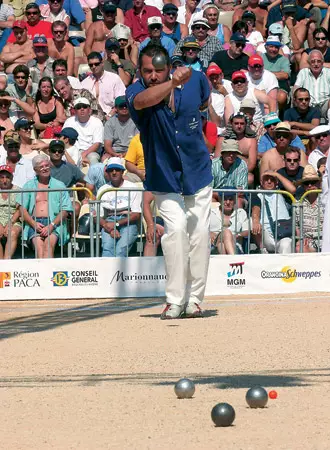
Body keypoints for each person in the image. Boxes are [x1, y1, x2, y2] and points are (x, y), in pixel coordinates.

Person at [127, 43, 212, 319]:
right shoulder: (135, 91)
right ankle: (175, 299)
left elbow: (204, 101)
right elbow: (142, 102)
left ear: (168, 67)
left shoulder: (196, 79)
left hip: (197, 171)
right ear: (140, 70)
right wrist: (173, 83)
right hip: (164, 174)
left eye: (158, 70)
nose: (152, 75)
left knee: (199, 236)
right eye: (147, 70)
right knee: (174, 233)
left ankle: (195, 299)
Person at [19, 154, 73, 258]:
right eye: (41, 167)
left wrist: (51, 225)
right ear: (36, 170)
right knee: (39, 248)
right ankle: (42, 274)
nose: (45, 168)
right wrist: (33, 223)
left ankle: (48, 273)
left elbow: (65, 210)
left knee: (48, 246)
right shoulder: (28, 185)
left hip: (54, 222)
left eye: (47, 165)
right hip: (34, 222)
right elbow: (22, 208)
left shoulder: (59, 185)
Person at [96, 157, 142, 257]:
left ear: (122, 172)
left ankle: (119, 273)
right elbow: (96, 216)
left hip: (128, 222)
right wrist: (108, 227)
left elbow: (136, 215)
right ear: (107, 173)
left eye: (117, 170)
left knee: (121, 250)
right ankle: (108, 273)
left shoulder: (133, 187)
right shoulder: (102, 189)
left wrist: (116, 224)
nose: (114, 172)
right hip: (109, 221)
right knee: (107, 250)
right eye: (111, 170)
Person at [251, 171, 292, 254]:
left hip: (283, 233)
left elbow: (293, 189)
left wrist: (277, 175)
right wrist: (255, 220)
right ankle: (262, 250)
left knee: (286, 244)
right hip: (267, 235)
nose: (269, 181)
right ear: (261, 182)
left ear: (276, 182)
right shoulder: (257, 195)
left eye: (272, 179)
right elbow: (256, 208)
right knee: (251, 222)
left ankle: (285, 266)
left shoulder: (283, 193)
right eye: (266, 179)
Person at [81, 51, 126, 116]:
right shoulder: (84, 83)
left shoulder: (114, 78)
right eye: (91, 65)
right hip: (90, 118)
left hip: (112, 116)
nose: (93, 67)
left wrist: (110, 115)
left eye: (96, 64)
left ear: (102, 63)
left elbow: (121, 100)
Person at [62, 97, 104, 162]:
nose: (82, 109)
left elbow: (97, 144)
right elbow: (63, 138)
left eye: (84, 106)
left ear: (89, 109)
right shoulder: (69, 121)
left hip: (91, 152)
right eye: (78, 107)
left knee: (93, 158)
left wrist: (83, 155)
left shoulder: (97, 122)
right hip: (73, 150)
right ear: (75, 111)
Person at [210, 187, 249, 255]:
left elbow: (247, 231)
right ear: (219, 199)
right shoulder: (211, 213)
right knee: (226, 233)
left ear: (235, 200)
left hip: (235, 245)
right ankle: (233, 259)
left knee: (221, 244)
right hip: (214, 246)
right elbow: (200, 228)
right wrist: (209, 233)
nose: (228, 202)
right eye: (225, 199)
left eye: (231, 199)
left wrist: (237, 235)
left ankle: (226, 262)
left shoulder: (241, 213)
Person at [294, 49, 330, 119]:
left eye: (319, 61)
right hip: (307, 106)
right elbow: (296, 89)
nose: (316, 64)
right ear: (309, 63)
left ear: (323, 63)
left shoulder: (328, 72)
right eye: (313, 61)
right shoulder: (303, 72)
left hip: (325, 106)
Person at [296, 164, 323, 252]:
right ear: (303, 186)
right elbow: (296, 225)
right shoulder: (298, 202)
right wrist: (300, 239)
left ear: (318, 183)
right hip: (307, 240)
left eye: (313, 182)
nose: (310, 185)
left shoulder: (326, 200)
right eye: (306, 183)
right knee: (299, 248)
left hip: (324, 238)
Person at [262, 36, 291, 111]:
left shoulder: (283, 59)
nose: (274, 49)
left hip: (279, 87)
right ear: (266, 47)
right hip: (262, 87)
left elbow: (285, 75)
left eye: (276, 47)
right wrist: (277, 74)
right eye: (271, 46)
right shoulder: (260, 58)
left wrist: (265, 73)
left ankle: (278, 114)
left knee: (281, 96)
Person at [0, 164, 22, 259]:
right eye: (2, 177)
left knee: (12, 233)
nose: (5, 180)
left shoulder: (18, 190)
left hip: (14, 220)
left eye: (7, 177)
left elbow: (20, 209)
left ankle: (6, 262)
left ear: (12, 178)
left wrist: (10, 223)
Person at [143, 190, 164, 257]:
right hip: (159, 218)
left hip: (182, 218)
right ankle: (147, 266)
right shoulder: (157, 182)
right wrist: (150, 226)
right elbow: (145, 202)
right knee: (152, 236)